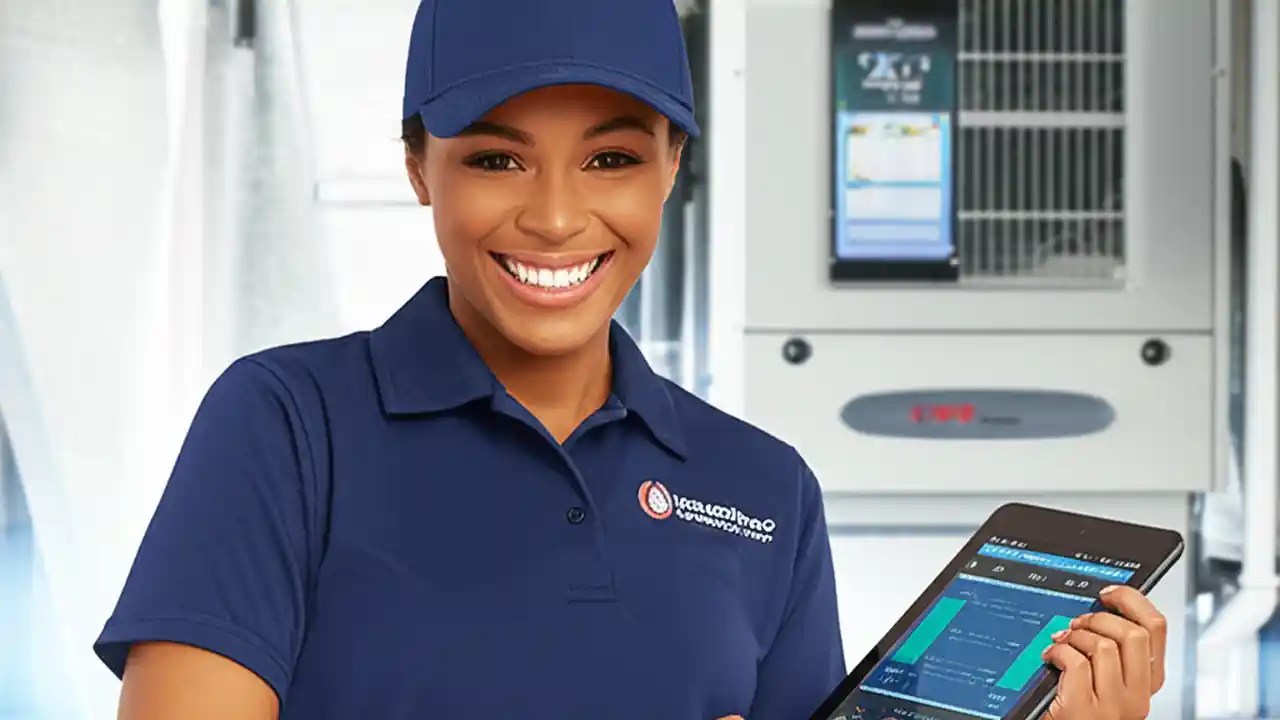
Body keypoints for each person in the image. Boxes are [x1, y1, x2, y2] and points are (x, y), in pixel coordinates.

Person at [92, 1, 1171, 718]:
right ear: (419, 166)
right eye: (496, 159)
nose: (557, 218)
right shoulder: (288, 423)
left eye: (610, 157)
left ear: (671, 166)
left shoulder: (764, 488)